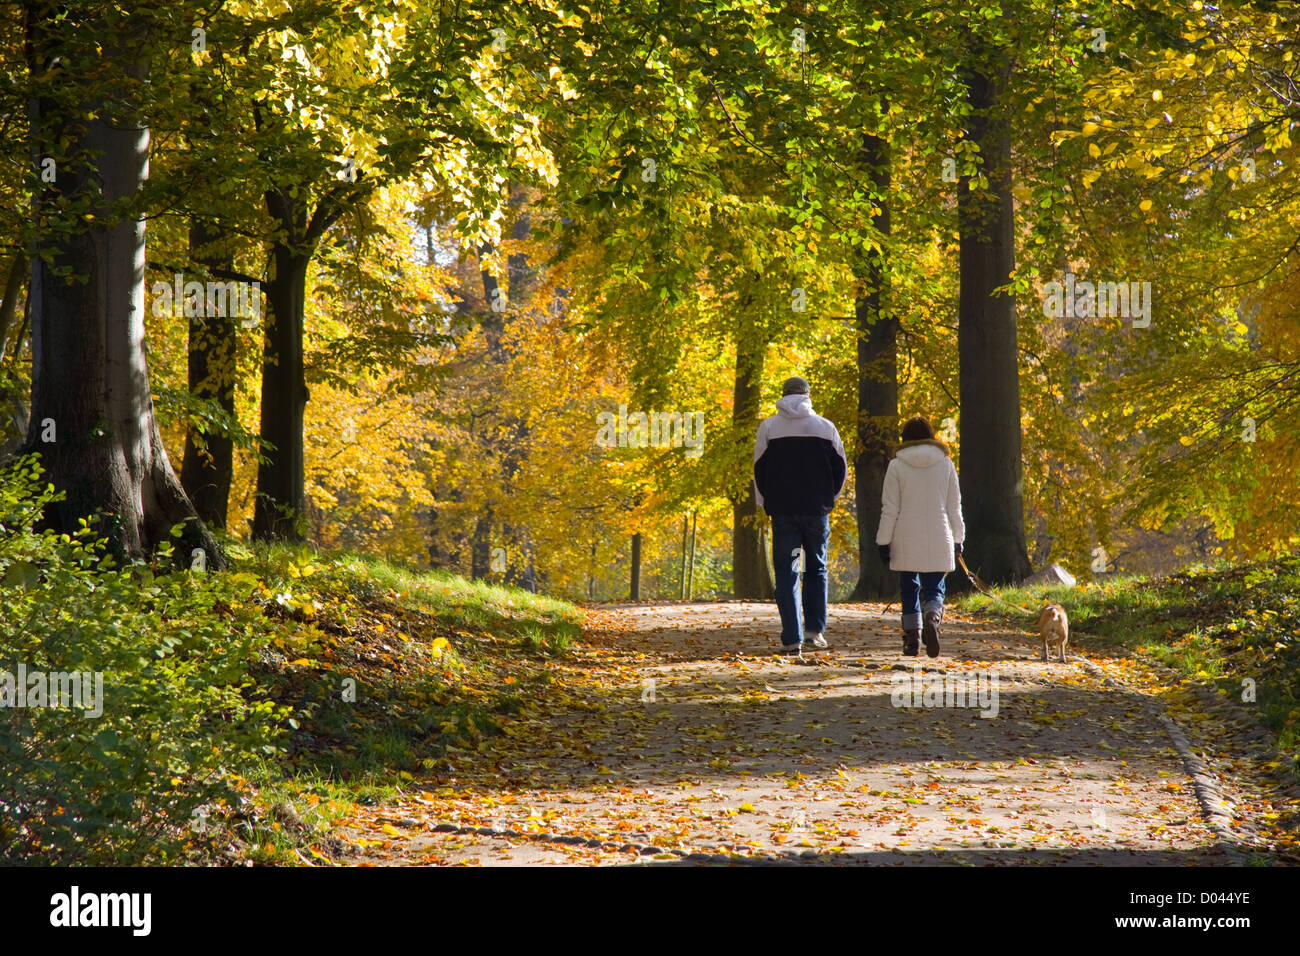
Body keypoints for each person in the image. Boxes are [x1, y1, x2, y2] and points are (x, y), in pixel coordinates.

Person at [753, 376, 847, 654]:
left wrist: (765, 503)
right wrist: (829, 500)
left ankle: (791, 638)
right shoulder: (825, 427)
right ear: (807, 396)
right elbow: (840, 470)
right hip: (816, 511)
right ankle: (814, 632)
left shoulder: (769, 427)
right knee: (816, 569)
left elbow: (759, 471)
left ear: (783, 396)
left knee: (788, 571)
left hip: (783, 512)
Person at [876, 416, 965, 658]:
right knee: (935, 587)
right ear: (932, 436)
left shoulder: (896, 466)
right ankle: (932, 618)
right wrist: (958, 539)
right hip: (940, 535)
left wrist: (883, 541)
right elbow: (954, 507)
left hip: (905, 536)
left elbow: (890, 508)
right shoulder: (946, 465)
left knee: (908, 587)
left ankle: (912, 640)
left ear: (905, 439)